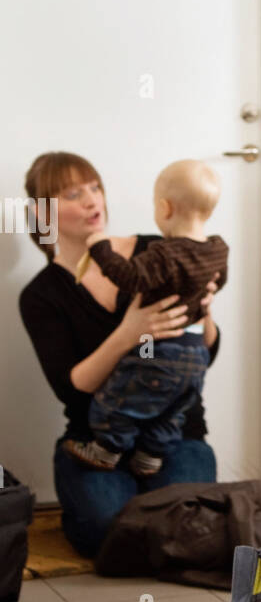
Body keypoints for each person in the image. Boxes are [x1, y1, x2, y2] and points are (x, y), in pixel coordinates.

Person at [18, 151, 221, 559]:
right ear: (43, 214)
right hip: (96, 437)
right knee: (103, 529)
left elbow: (206, 353)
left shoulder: (156, 249)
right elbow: (71, 389)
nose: (93, 200)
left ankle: (147, 516)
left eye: (95, 188)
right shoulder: (42, 294)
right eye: (73, 194)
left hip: (173, 433)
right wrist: (128, 334)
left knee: (187, 520)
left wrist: (205, 310)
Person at [64, 158, 229, 477]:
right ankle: (151, 455)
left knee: (120, 396)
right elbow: (219, 281)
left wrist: (100, 248)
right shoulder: (218, 248)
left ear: (165, 208)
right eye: (72, 194)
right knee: (172, 409)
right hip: (195, 356)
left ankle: (108, 448)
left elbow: (130, 278)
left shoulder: (162, 253)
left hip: (157, 353)